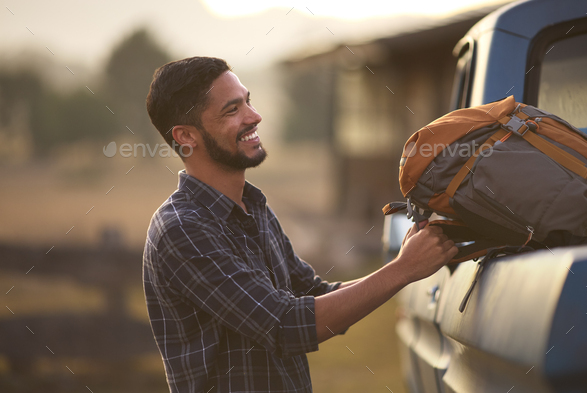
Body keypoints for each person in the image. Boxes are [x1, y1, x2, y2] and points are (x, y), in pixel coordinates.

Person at [143, 56, 458, 393]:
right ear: (186, 136)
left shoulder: (253, 208)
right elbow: (285, 325)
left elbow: (313, 294)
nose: (254, 116)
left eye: (248, 101)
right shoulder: (182, 230)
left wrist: (404, 263)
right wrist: (404, 270)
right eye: (232, 110)